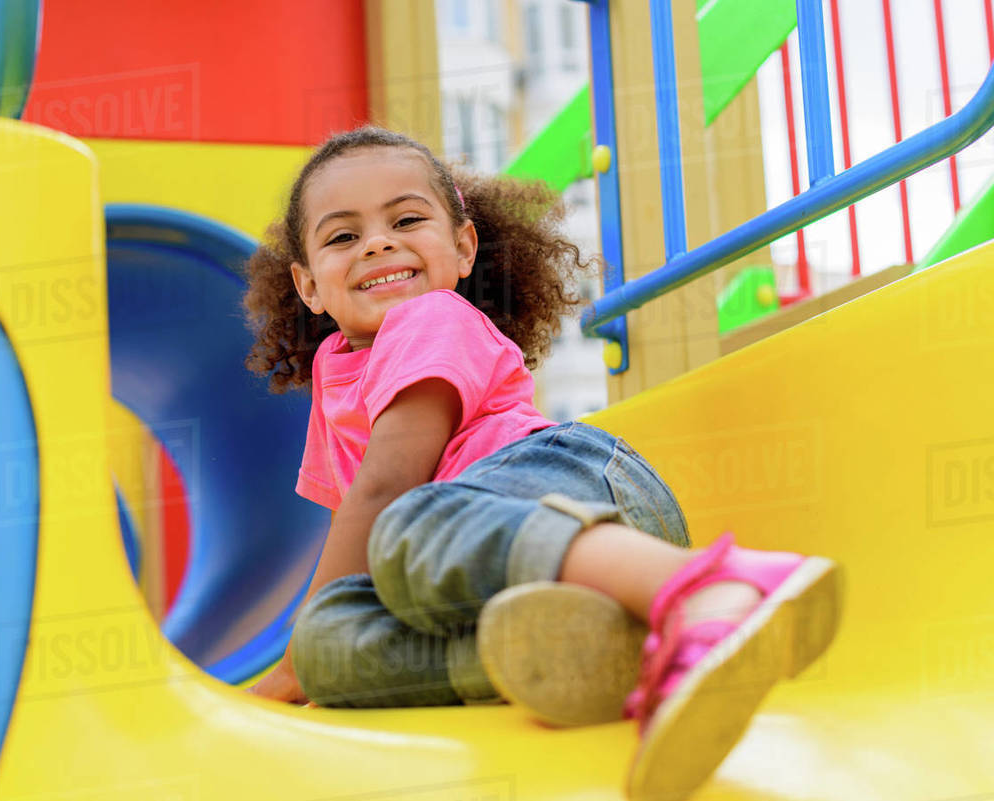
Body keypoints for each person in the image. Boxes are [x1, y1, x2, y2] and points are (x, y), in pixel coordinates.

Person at [242, 126, 841, 800]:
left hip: (574, 485)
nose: (377, 242)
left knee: (407, 528)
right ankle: (597, 650)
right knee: (334, 641)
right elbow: (347, 532)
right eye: (342, 236)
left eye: (407, 220)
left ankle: (708, 582)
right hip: (513, 562)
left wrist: (284, 670)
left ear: (463, 247)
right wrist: (310, 654)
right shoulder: (335, 373)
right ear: (308, 284)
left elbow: (383, 487)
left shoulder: (430, 318)